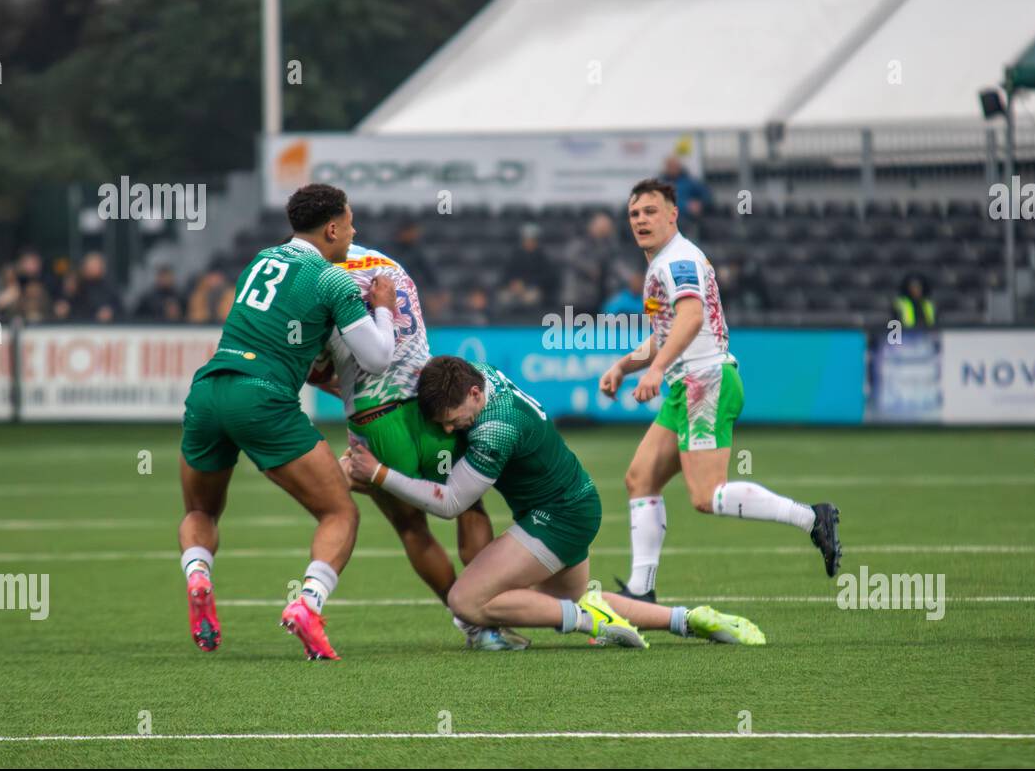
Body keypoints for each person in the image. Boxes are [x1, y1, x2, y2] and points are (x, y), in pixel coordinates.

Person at [345, 356, 766, 647]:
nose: (452, 428)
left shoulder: (496, 427)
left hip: (557, 516)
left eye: (454, 418)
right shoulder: (480, 378)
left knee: (467, 601)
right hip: (574, 503)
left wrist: (379, 475)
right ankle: (689, 619)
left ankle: (588, 624)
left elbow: (451, 501)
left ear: (475, 393)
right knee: (567, 597)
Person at [177, 183, 400, 659]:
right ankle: (308, 605)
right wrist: (381, 304)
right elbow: (379, 358)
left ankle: (198, 573)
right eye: (351, 222)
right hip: (262, 397)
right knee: (340, 512)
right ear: (333, 227)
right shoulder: (333, 280)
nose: (354, 231)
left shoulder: (261, 259)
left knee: (201, 512)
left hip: (208, 389)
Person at [597, 179, 841, 603]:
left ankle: (812, 518)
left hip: (704, 383)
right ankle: (642, 590)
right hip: (687, 386)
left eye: (651, 211)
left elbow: (690, 319)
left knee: (707, 496)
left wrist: (655, 369)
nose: (641, 220)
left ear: (673, 214)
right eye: (634, 213)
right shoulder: (667, 261)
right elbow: (670, 330)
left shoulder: (677, 261)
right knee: (640, 479)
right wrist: (625, 364)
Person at [310, 241, 516, 651]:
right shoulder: (390, 265)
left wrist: (343, 390)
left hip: (374, 419)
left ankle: (473, 627)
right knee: (468, 505)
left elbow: (316, 368)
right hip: (430, 403)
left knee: (411, 527)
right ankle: (487, 618)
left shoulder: (315, 280)